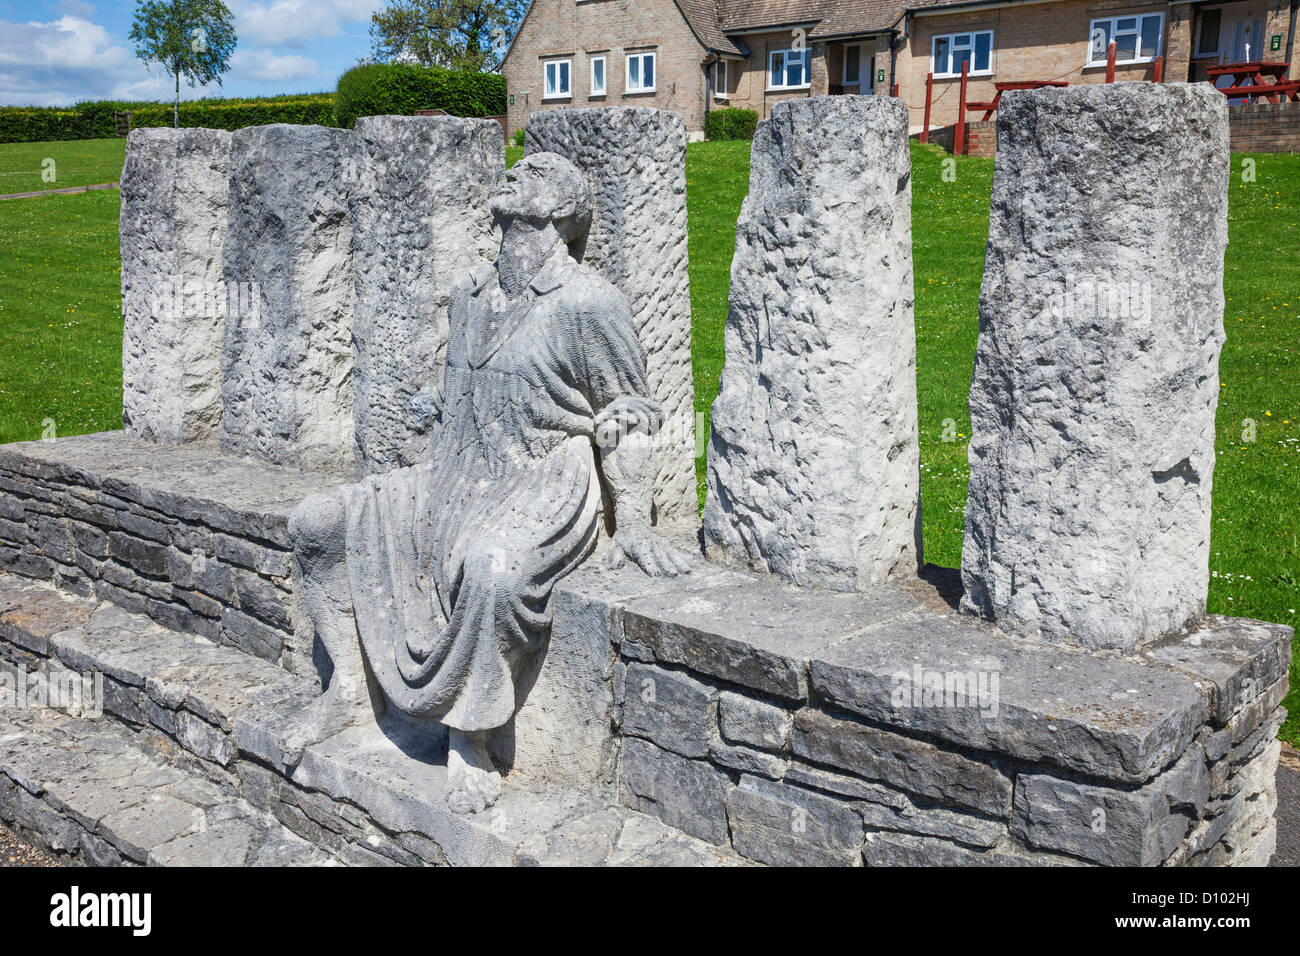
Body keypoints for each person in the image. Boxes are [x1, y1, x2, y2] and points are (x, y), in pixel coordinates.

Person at [288, 152, 691, 813]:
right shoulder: (470, 293)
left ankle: (470, 734)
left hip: (544, 481)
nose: (516, 169)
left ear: (563, 212)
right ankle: (349, 692)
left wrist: (637, 523)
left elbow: (627, 416)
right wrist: (432, 403)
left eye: (534, 172)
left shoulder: (589, 304)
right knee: (316, 524)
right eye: (518, 165)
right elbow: (462, 388)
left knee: (491, 567)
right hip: (454, 473)